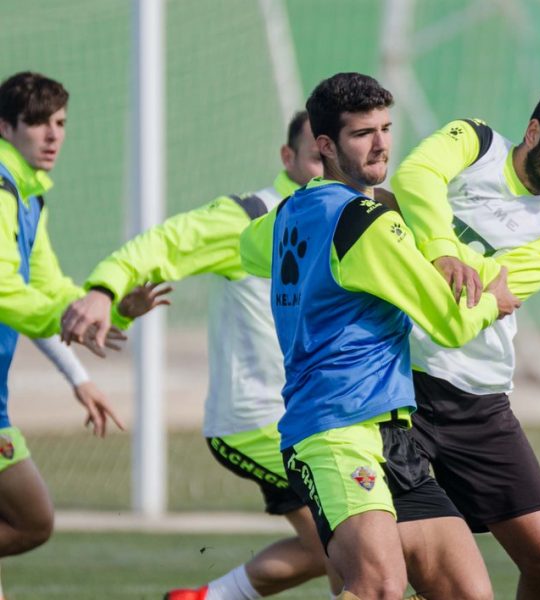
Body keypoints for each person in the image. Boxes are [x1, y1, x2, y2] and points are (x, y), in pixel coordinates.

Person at [240, 72, 520, 600]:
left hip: (395, 437)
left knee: (469, 593)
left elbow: (247, 248)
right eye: (361, 133)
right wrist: (494, 302)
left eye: (386, 128)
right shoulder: (365, 222)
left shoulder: (287, 215)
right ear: (324, 145)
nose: (381, 144)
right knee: (378, 588)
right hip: (336, 433)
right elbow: (451, 322)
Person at [60, 111, 345, 599]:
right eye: (317, 158)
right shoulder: (252, 217)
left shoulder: (351, 216)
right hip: (256, 421)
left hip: (313, 418)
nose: (327, 167)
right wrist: (107, 289)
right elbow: (169, 241)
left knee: (329, 547)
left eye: (333, 155)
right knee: (355, 525)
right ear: (288, 157)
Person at [389, 86, 540, 599]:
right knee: (390, 571)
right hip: (400, 385)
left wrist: (422, 239)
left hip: (478, 402)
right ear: (534, 131)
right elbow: (413, 176)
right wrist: (443, 251)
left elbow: (493, 293)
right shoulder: (476, 141)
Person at [0, 71, 144, 597]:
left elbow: (49, 287)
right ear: (5, 126)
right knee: (31, 517)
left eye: (59, 123)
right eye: (38, 123)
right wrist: (70, 324)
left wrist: (109, 312)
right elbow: (3, 292)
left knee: (32, 520)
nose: (53, 135)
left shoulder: (28, 196)